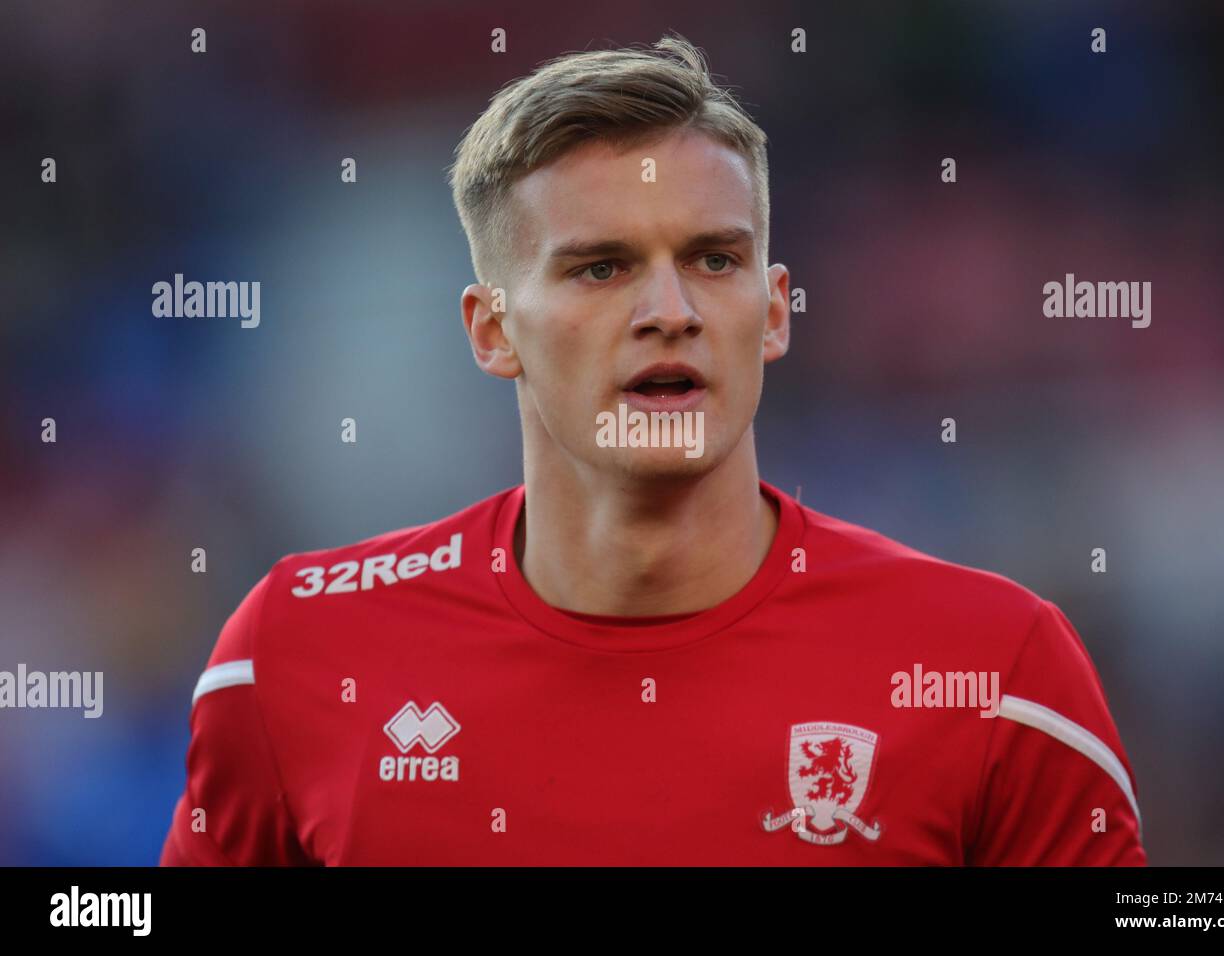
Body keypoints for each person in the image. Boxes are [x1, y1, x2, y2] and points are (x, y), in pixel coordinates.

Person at [160, 34, 1145, 865]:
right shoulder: (294, 657)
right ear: (491, 329)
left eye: (715, 260)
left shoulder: (996, 674)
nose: (668, 312)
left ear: (772, 311)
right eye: (601, 267)